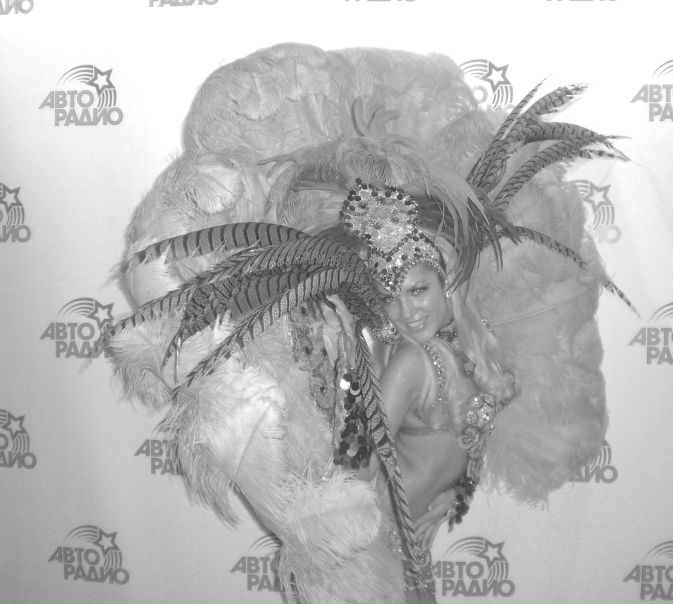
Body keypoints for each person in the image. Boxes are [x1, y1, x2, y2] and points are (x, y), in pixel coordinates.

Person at [105, 43, 625, 603]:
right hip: (383, 547)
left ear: (448, 283)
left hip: (413, 541)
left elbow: (456, 446)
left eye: (418, 290)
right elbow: (362, 466)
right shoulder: (413, 362)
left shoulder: (475, 351)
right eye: (390, 300)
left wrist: (449, 497)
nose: (408, 312)